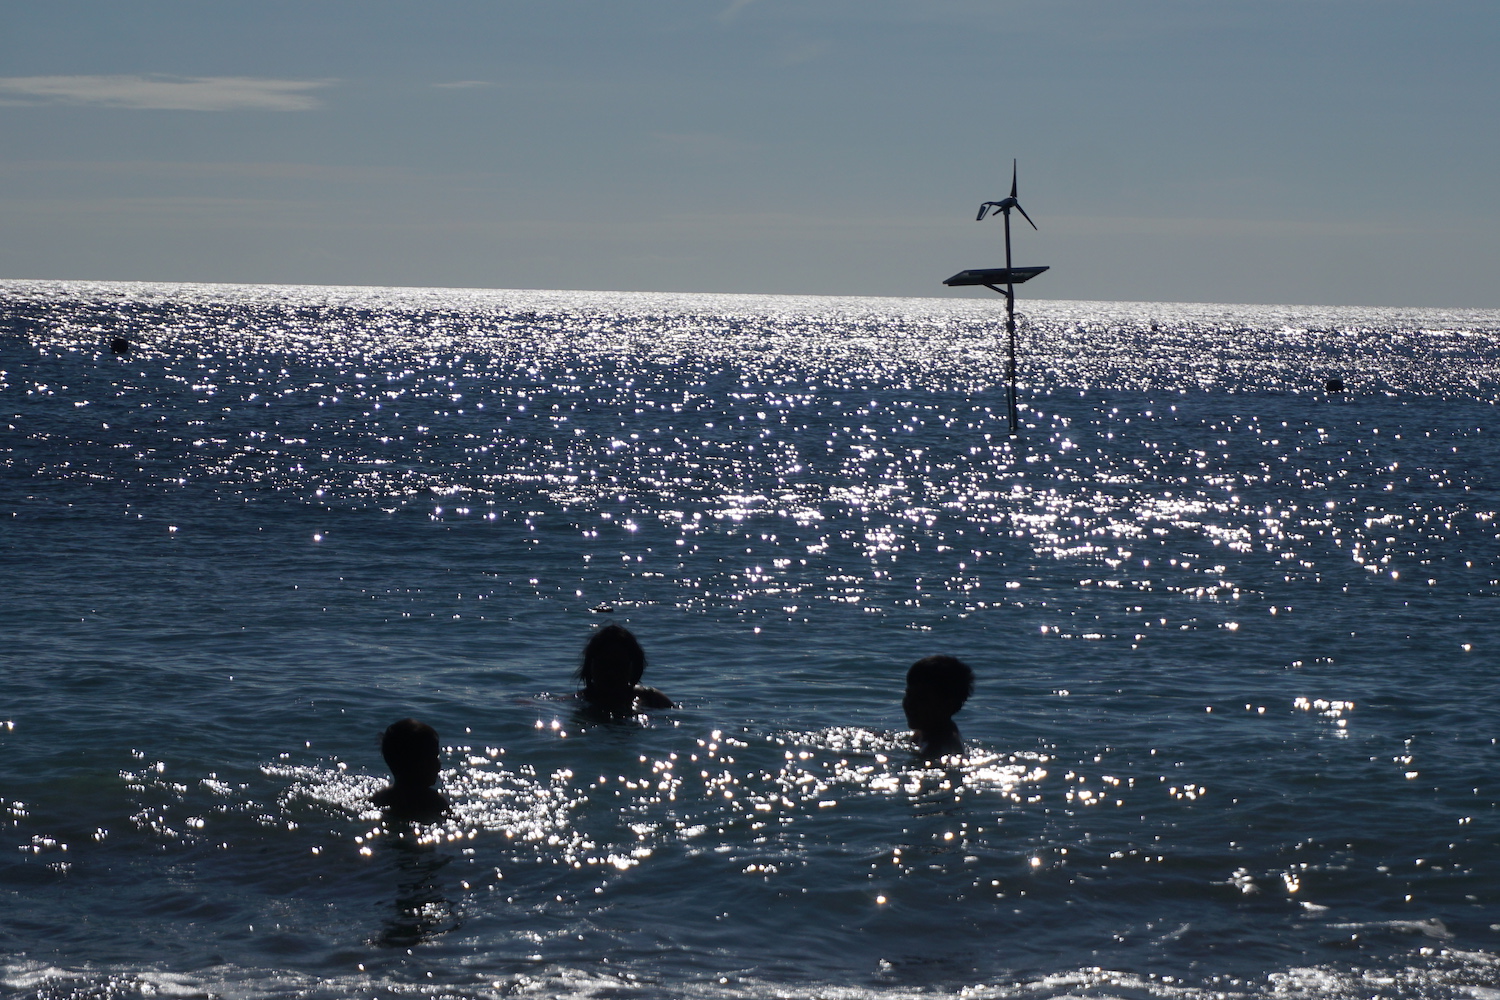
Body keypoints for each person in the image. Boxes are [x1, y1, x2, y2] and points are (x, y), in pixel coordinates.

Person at [576, 623, 672, 713]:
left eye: (619, 665)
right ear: (590, 665)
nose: (611, 672)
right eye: (603, 664)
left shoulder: (653, 699)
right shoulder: (575, 701)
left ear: (634, 667)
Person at [373, 718, 447, 820]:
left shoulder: (380, 797)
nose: (439, 764)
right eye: (434, 757)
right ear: (417, 764)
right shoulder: (434, 801)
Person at [902, 655, 974, 758]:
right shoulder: (927, 731)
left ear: (947, 705)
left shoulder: (937, 748)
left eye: (921, 699)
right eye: (909, 695)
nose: (910, 704)